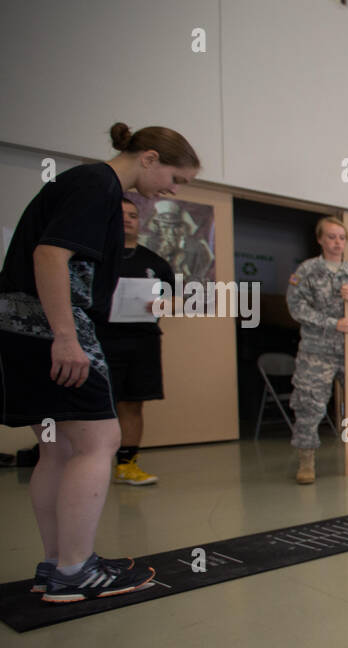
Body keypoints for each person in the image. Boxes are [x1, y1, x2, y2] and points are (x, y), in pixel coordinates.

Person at [0, 122, 200, 601]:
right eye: (175, 178)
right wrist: (66, 337)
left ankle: (57, 563)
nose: (172, 190)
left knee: (60, 449)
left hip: (25, 325)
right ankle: (74, 570)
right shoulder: (98, 186)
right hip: (51, 325)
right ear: (149, 158)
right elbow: (50, 255)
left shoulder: (87, 184)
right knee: (100, 440)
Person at [287, 216, 348, 483]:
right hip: (317, 350)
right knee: (309, 404)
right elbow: (296, 308)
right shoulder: (307, 271)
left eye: (341, 238)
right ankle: (306, 462)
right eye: (331, 237)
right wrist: (333, 323)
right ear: (320, 239)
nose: (336, 242)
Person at [99, 196, 176, 486]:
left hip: (142, 341)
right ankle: (90, 462)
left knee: (133, 403)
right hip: (102, 340)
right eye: (121, 214)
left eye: (133, 215)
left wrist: (161, 306)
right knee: (100, 404)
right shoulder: (95, 257)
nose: (128, 219)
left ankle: (127, 464)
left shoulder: (154, 262)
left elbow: (171, 301)